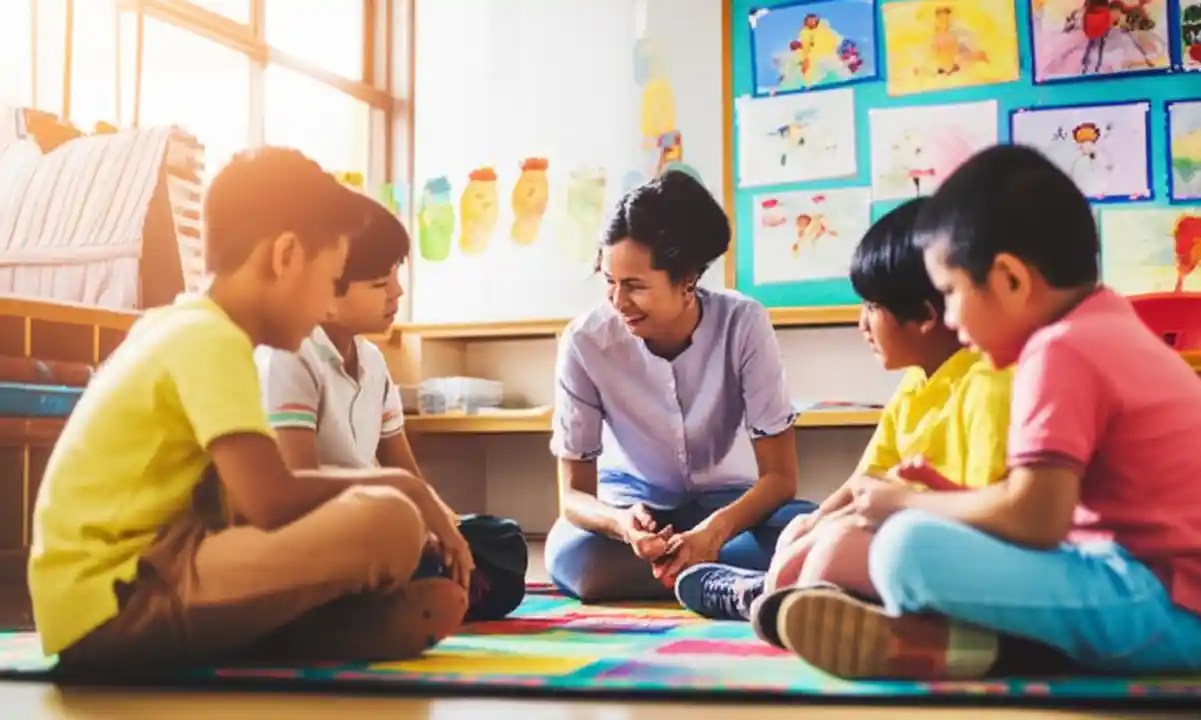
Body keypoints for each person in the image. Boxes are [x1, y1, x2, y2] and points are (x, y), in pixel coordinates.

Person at [771, 145, 1201, 681]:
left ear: (1009, 279)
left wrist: (908, 503)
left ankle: (964, 644)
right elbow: (1046, 511)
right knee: (909, 537)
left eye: (951, 292)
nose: (951, 319)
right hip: (1190, 605)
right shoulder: (1099, 328)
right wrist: (944, 499)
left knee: (903, 548)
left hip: (1171, 609)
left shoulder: (1061, 350)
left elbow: (1036, 520)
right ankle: (954, 647)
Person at [28, 147, 468, 674]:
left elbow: (242, 501)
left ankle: (312, 627)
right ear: (286, 256)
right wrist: (403, 484)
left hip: (120, 587)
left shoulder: (183, 325)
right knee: (390, 520)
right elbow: (269, 500)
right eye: (330, 281)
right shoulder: (211, 339)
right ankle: (314, 630)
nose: (327, 305)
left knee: (385, 515)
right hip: (122, 596)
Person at [674, 198, 1012, 626]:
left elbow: (985, 515)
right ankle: (771, 595)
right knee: (802, 530)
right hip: (902, 530)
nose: (862, 324)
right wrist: (816, 521)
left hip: (942, 547)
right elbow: (864, 479)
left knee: (837, 548)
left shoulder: (989, 384)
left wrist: (869, 517)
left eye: (871, 307)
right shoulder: (916, 383)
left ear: (925, 317)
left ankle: (767, 597)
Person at [545, 170, 816, 601]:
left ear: (687, 280)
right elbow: (574, 496)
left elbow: (780, 478)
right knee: (572, 556)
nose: (618, 302)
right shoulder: (585, 341)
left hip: (731, 510)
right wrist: (621, 525)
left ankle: (694, 570)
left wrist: (715, 531)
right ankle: (713, 578)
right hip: (635, 515)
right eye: (609, 282)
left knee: (811, 535)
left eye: (634, 286)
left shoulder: (743, 323)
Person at [255, 193, 527, 621]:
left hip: (381, 519)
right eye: (380, 283)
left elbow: (407, 471)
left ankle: (422, 588)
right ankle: (401, 596)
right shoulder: (291, 356)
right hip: (327, 528)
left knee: (502, 540)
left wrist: (444, 526)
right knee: (394, 530)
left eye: (397, 275)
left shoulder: (373, 362)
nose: (397, 292)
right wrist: (409, 515)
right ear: (327, 288)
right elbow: (298, 490)